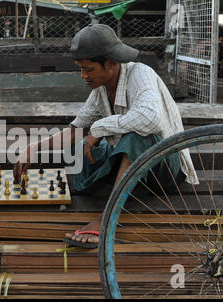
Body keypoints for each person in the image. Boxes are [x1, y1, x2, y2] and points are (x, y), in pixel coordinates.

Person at [13, 24, 198, 248]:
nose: (83, 76)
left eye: (88, 69)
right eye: (80, 69)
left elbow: (151, 120)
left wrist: (100, 128)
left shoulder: (140, 74)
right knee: (78, 148)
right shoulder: (100, 89)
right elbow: (77, 129)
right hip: (136, 163)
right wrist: (34, 148)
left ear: (111, 63)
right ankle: (122, 182)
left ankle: (108, 216)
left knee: (135, 137)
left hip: (167, 168)